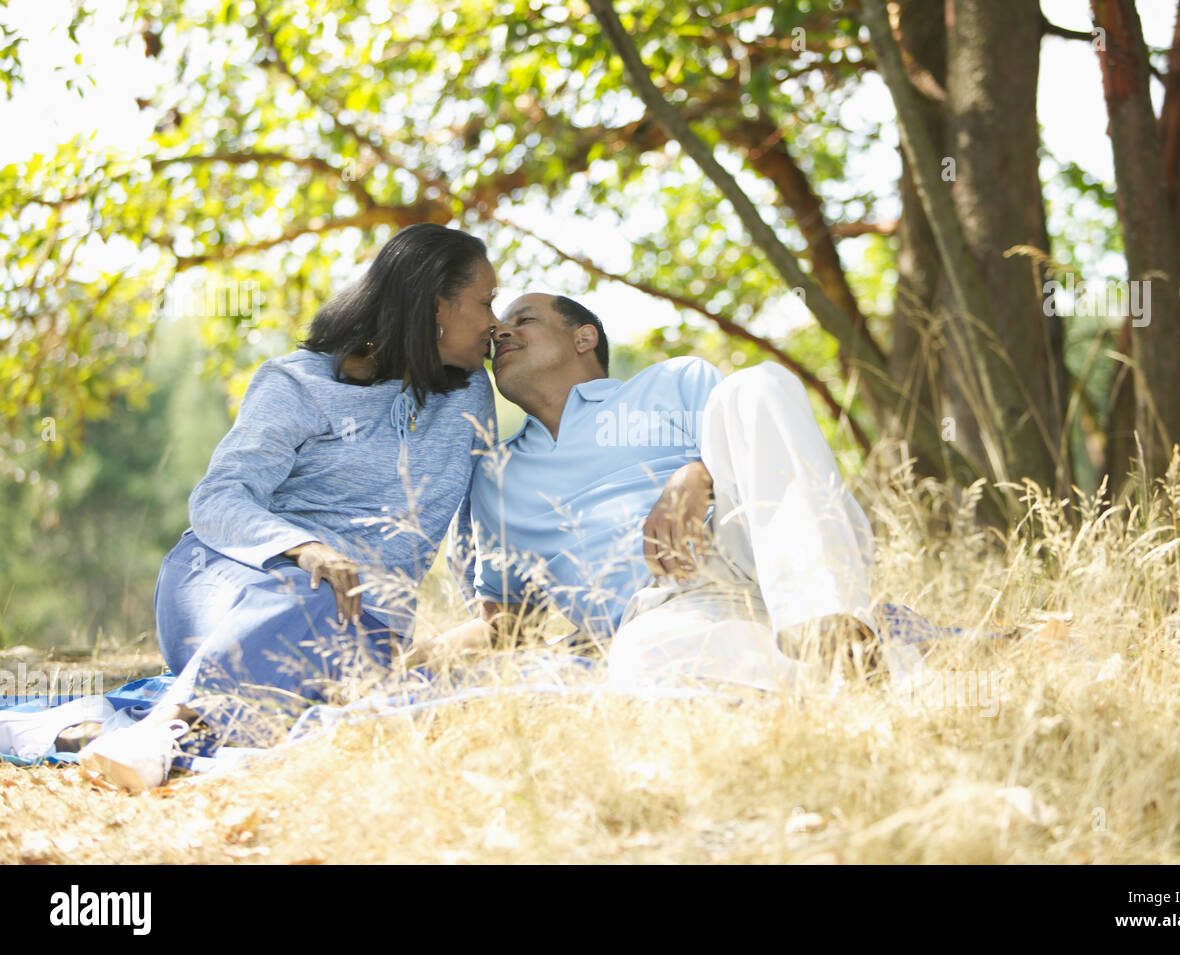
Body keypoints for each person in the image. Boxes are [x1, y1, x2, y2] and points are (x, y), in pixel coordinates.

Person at [77, 223, 499, 790]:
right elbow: (220, 497)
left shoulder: (470, 394)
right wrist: (305, 548)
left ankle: (118, 728)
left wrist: (491, 611)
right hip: (224, 584)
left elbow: (475, 517)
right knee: (313, 593)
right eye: (486, 301)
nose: (495, 321)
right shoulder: (297, 384)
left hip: (362, 627)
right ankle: (165, 727)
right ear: (436, 305)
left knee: (325, 677)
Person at [438, 293, 917, 693]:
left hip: (751, 546)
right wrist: (407, 652)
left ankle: (831, 623)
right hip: (665, 609)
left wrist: (696, 472)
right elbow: (508, 622)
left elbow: (750, 442)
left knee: (756, 384)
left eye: (524, 320)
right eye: (498, 328)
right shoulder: (496, 475)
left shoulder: (673, 381)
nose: (501, 331)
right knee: (639, 660)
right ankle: (858, 675)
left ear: (583, 337)